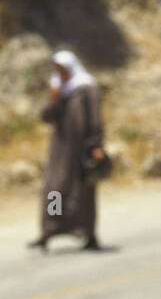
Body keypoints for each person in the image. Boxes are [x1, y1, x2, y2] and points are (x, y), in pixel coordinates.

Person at [29, 49, 106, 252]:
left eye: (62, 69)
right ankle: (50, 229)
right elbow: (47, 117)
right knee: (55, 188)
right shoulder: (59, 89)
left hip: (82, 150)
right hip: (61, 151)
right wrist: (54, 100)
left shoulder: (87, 87)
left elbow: (95, 118)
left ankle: (88, 233)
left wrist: (96, 145)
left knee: (83, 192)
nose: (60, 73)